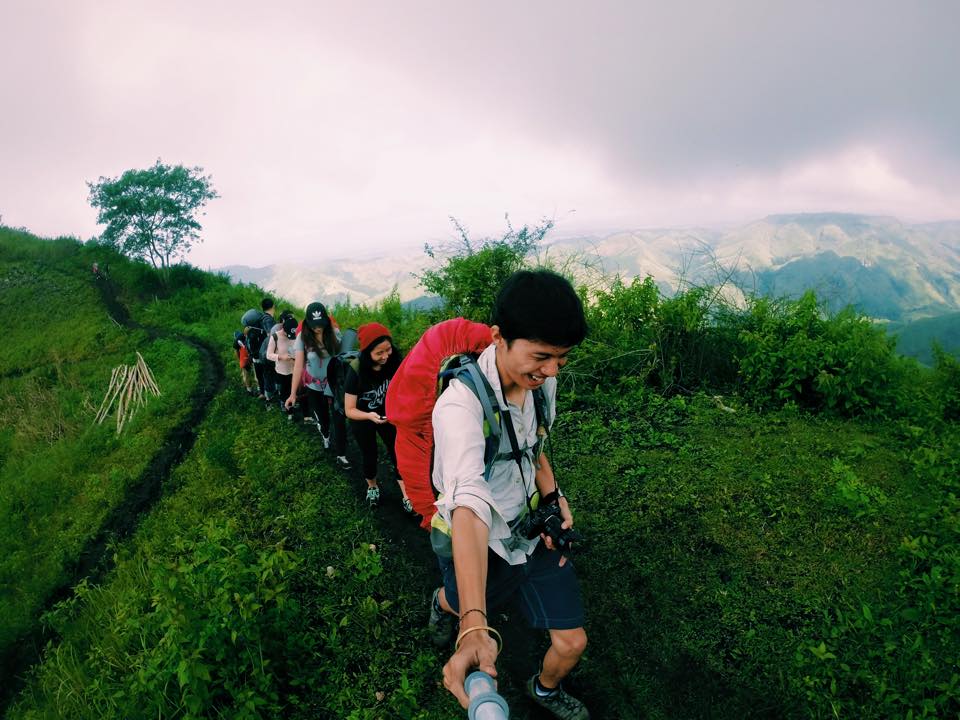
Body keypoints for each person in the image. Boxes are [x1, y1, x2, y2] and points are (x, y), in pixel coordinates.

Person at [427, 270, 590, 720]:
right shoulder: (461, 405)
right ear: (498, 337)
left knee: (573, 640)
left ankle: (545, 689)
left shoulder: (542, 385)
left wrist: (554, 496)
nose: (553, 370)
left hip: (531, 533)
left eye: (562, 358)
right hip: (484, 539)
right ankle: (446, 605)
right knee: (460, 597)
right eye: (541, 356)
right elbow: (469, 506)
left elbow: (534, 448)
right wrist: (474, 623)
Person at [343, 322, 413, 511]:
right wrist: (368, 415)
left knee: (397, 452)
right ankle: (372, 486)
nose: (385, 356)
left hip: (389, 415)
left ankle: (407, 495)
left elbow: (405, 387)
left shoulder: (394, 361)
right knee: (369, 453)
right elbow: (349, 409)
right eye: (379, 353)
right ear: (367, 353)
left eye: (388, 350)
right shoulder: (356, 370)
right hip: (362, 417)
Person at [286, 302, 351, 470]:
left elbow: (342, 357)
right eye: (314, 325)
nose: (318, 329)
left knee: (339, 418)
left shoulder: (334, 333)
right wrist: (293, 394)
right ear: (307, 323)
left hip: (333, 384)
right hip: (314, 386)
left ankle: (341, 454)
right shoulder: (302, 338)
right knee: (323, 418)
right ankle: (325, 434)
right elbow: (298, 365)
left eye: (321, 325)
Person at [267, 310, 299, 418]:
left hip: (294, 369)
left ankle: (291, 406)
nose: (290, 336)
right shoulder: (275, 337)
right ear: (283, 328)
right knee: (284, 390)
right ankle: (286, 407)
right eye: (288, 334)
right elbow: (269, 355)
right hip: (281, 370)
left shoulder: (295, 336)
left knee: (293, 390)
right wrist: (280, 357)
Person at [232, 330, 255, 395]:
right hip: (252, 357)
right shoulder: (248, 340)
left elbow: (236, 353)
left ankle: (249, 390)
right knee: (256, 373)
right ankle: (260, 389)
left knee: (246, 375)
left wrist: (240, 360)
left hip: (244, 359)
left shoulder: (238, 344)